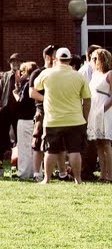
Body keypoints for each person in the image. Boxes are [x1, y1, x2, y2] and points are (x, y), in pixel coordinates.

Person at [32, 47, 91, 185]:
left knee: (51, 150)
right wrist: (84, 117)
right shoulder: (79, 76)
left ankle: (46, 179)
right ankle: (78, 179)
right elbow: (87, 100)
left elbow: (36, 86)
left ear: (56, 59)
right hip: (75, 120)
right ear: (70, 60)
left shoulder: (47, 73)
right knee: (75, 150)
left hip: (53, 120)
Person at [87, 48, 112, 181]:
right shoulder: (95, 74)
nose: (93, 61)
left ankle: (110, 174)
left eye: (95, 58)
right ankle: (102, 174)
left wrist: (103, 109)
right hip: (94, 109)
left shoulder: (109, 74)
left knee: (106, 143)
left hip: (105, 110)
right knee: (98, 143)